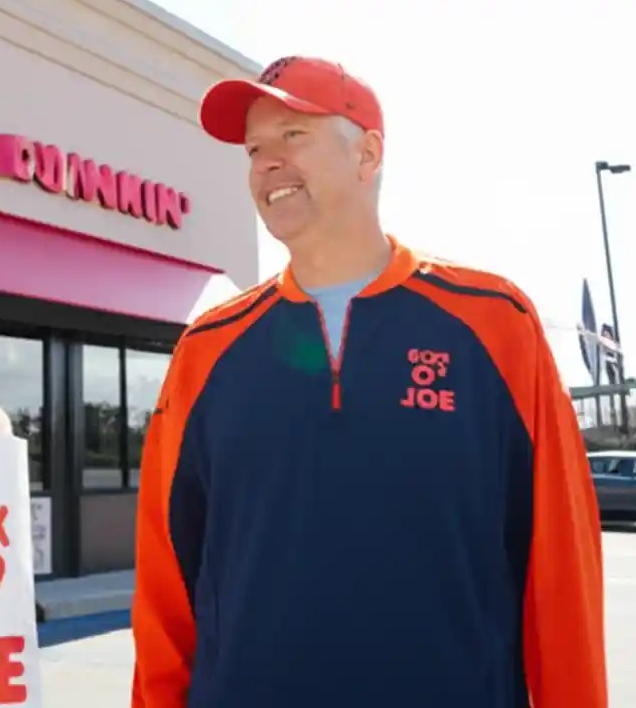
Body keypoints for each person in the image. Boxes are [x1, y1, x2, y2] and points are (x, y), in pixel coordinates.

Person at [131, 56, 607, 707]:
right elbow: (166, 583)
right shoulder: (206, 349)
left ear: (368, 154)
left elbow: (561, 575)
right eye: (253, 150)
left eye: (293, 136)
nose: (266, 163)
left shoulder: (496, 324)